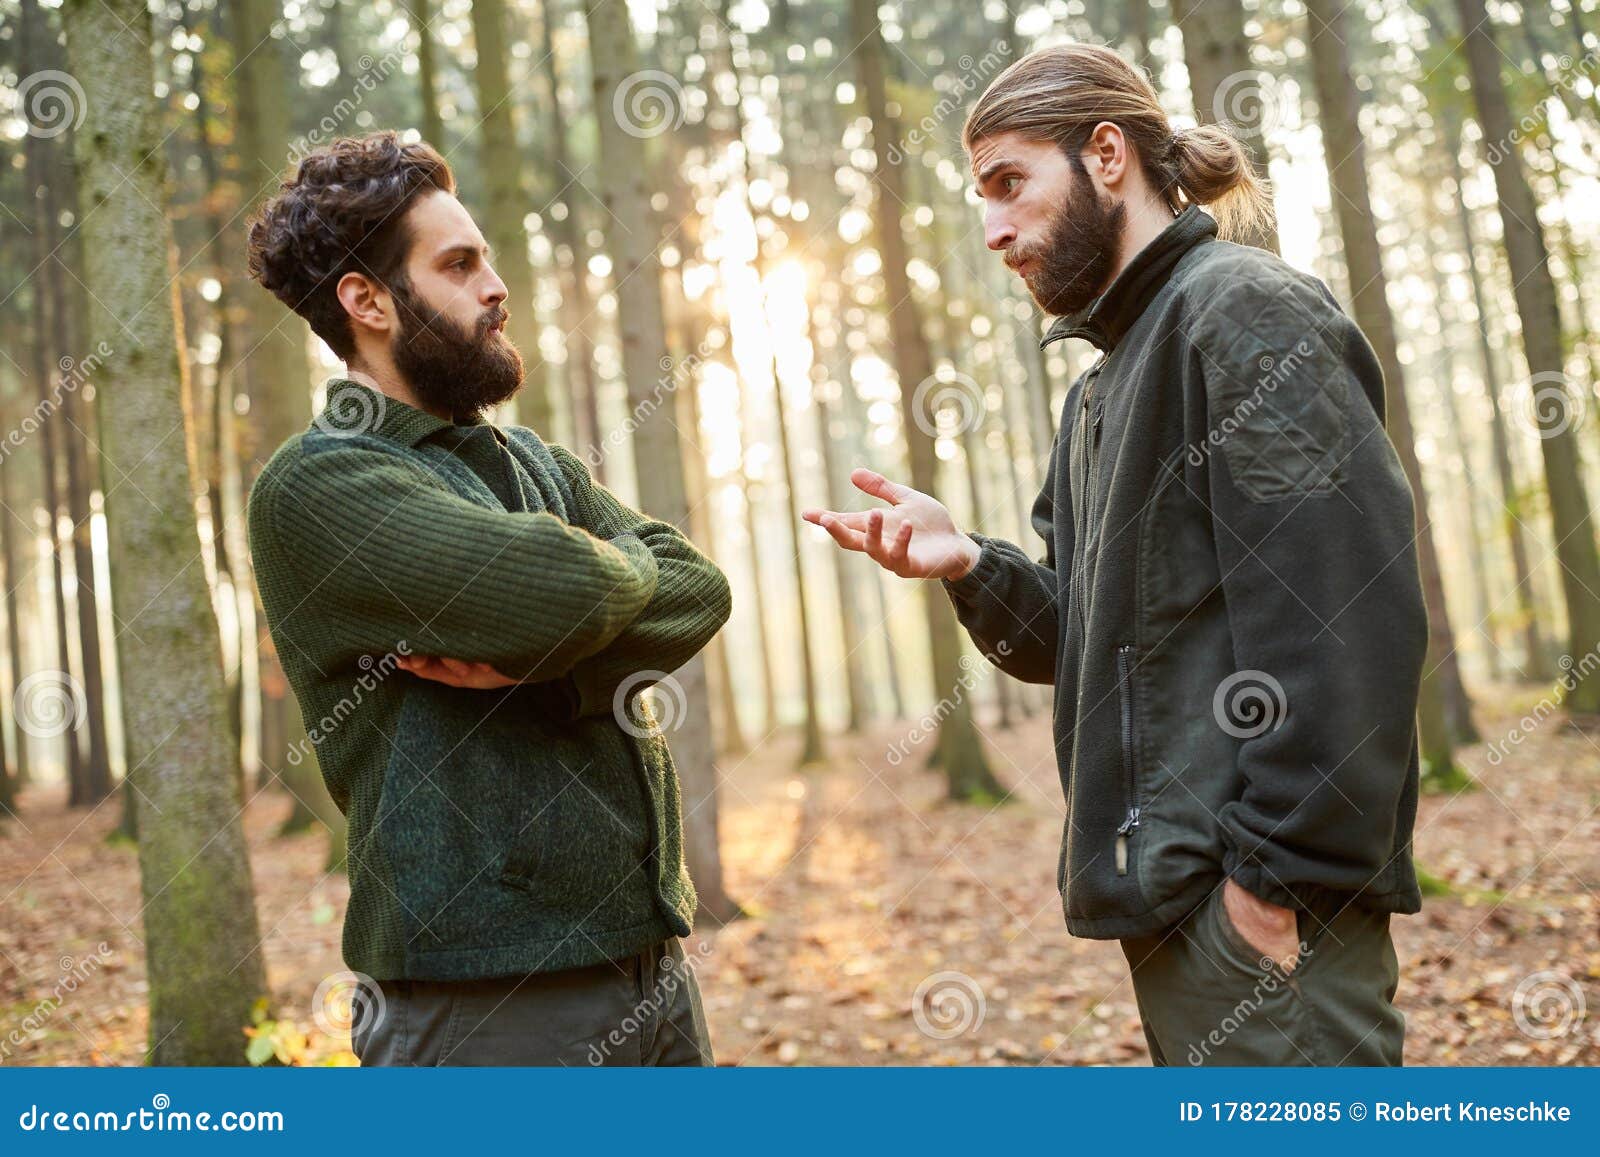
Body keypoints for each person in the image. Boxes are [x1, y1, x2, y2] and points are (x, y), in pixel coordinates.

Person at [804, 44, 1427, 1066]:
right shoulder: (1097, 390)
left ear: (1105, 153)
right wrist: (968, 560)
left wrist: (1270, 884)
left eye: (1010, 183)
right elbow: (1091, 640)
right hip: (1175, 911)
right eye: (981, 198)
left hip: (1268, 922)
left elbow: (1348, 609)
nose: (995, 228)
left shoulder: (1243, 313)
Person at [244, 131, 730, 1065]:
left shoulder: (535, 462)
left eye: (488, 258)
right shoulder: (319, 485)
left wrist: (550, 673)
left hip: (652, 971)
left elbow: (700, 585)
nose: (496, 285)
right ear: (366, 300)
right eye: (460, 264)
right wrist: (600, 575)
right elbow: (565, 589)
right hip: (481, 1006)